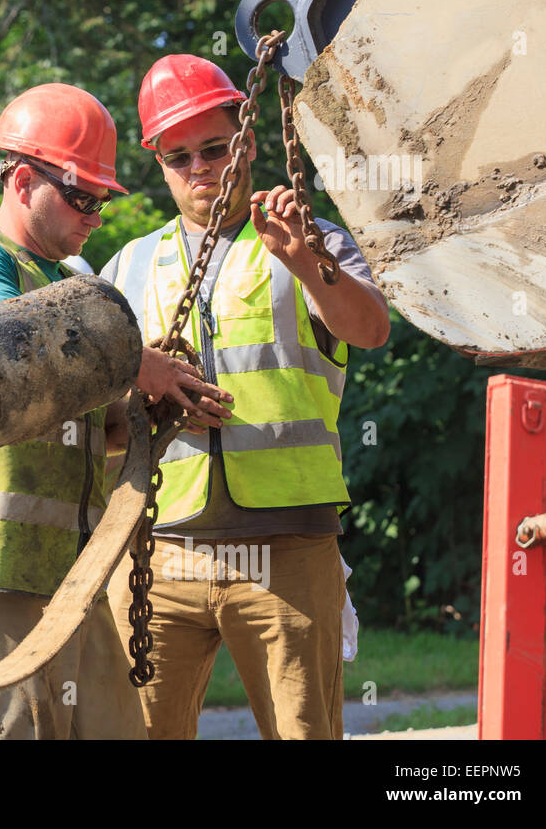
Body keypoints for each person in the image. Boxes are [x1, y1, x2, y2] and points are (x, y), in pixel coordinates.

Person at [0, 83, 233, 740]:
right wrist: (132, 362)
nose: (93, 214)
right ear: (19, 179)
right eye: (79, 196)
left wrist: (143, 415)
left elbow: (74, 428)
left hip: (70, 583)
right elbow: (1, 352)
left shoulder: (71, 283)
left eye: (100, 200)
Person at [100, 54, 391, 739]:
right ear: (161, 166)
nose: (200, 167)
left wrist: (307, 266)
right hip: (156, 552)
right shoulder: (130, 267)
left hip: (288, 547)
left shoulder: (309, 243)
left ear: (248, 143)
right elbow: (99, 414)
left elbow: (370, 329)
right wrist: (147, 403)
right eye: (180, 156)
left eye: (214, 148)